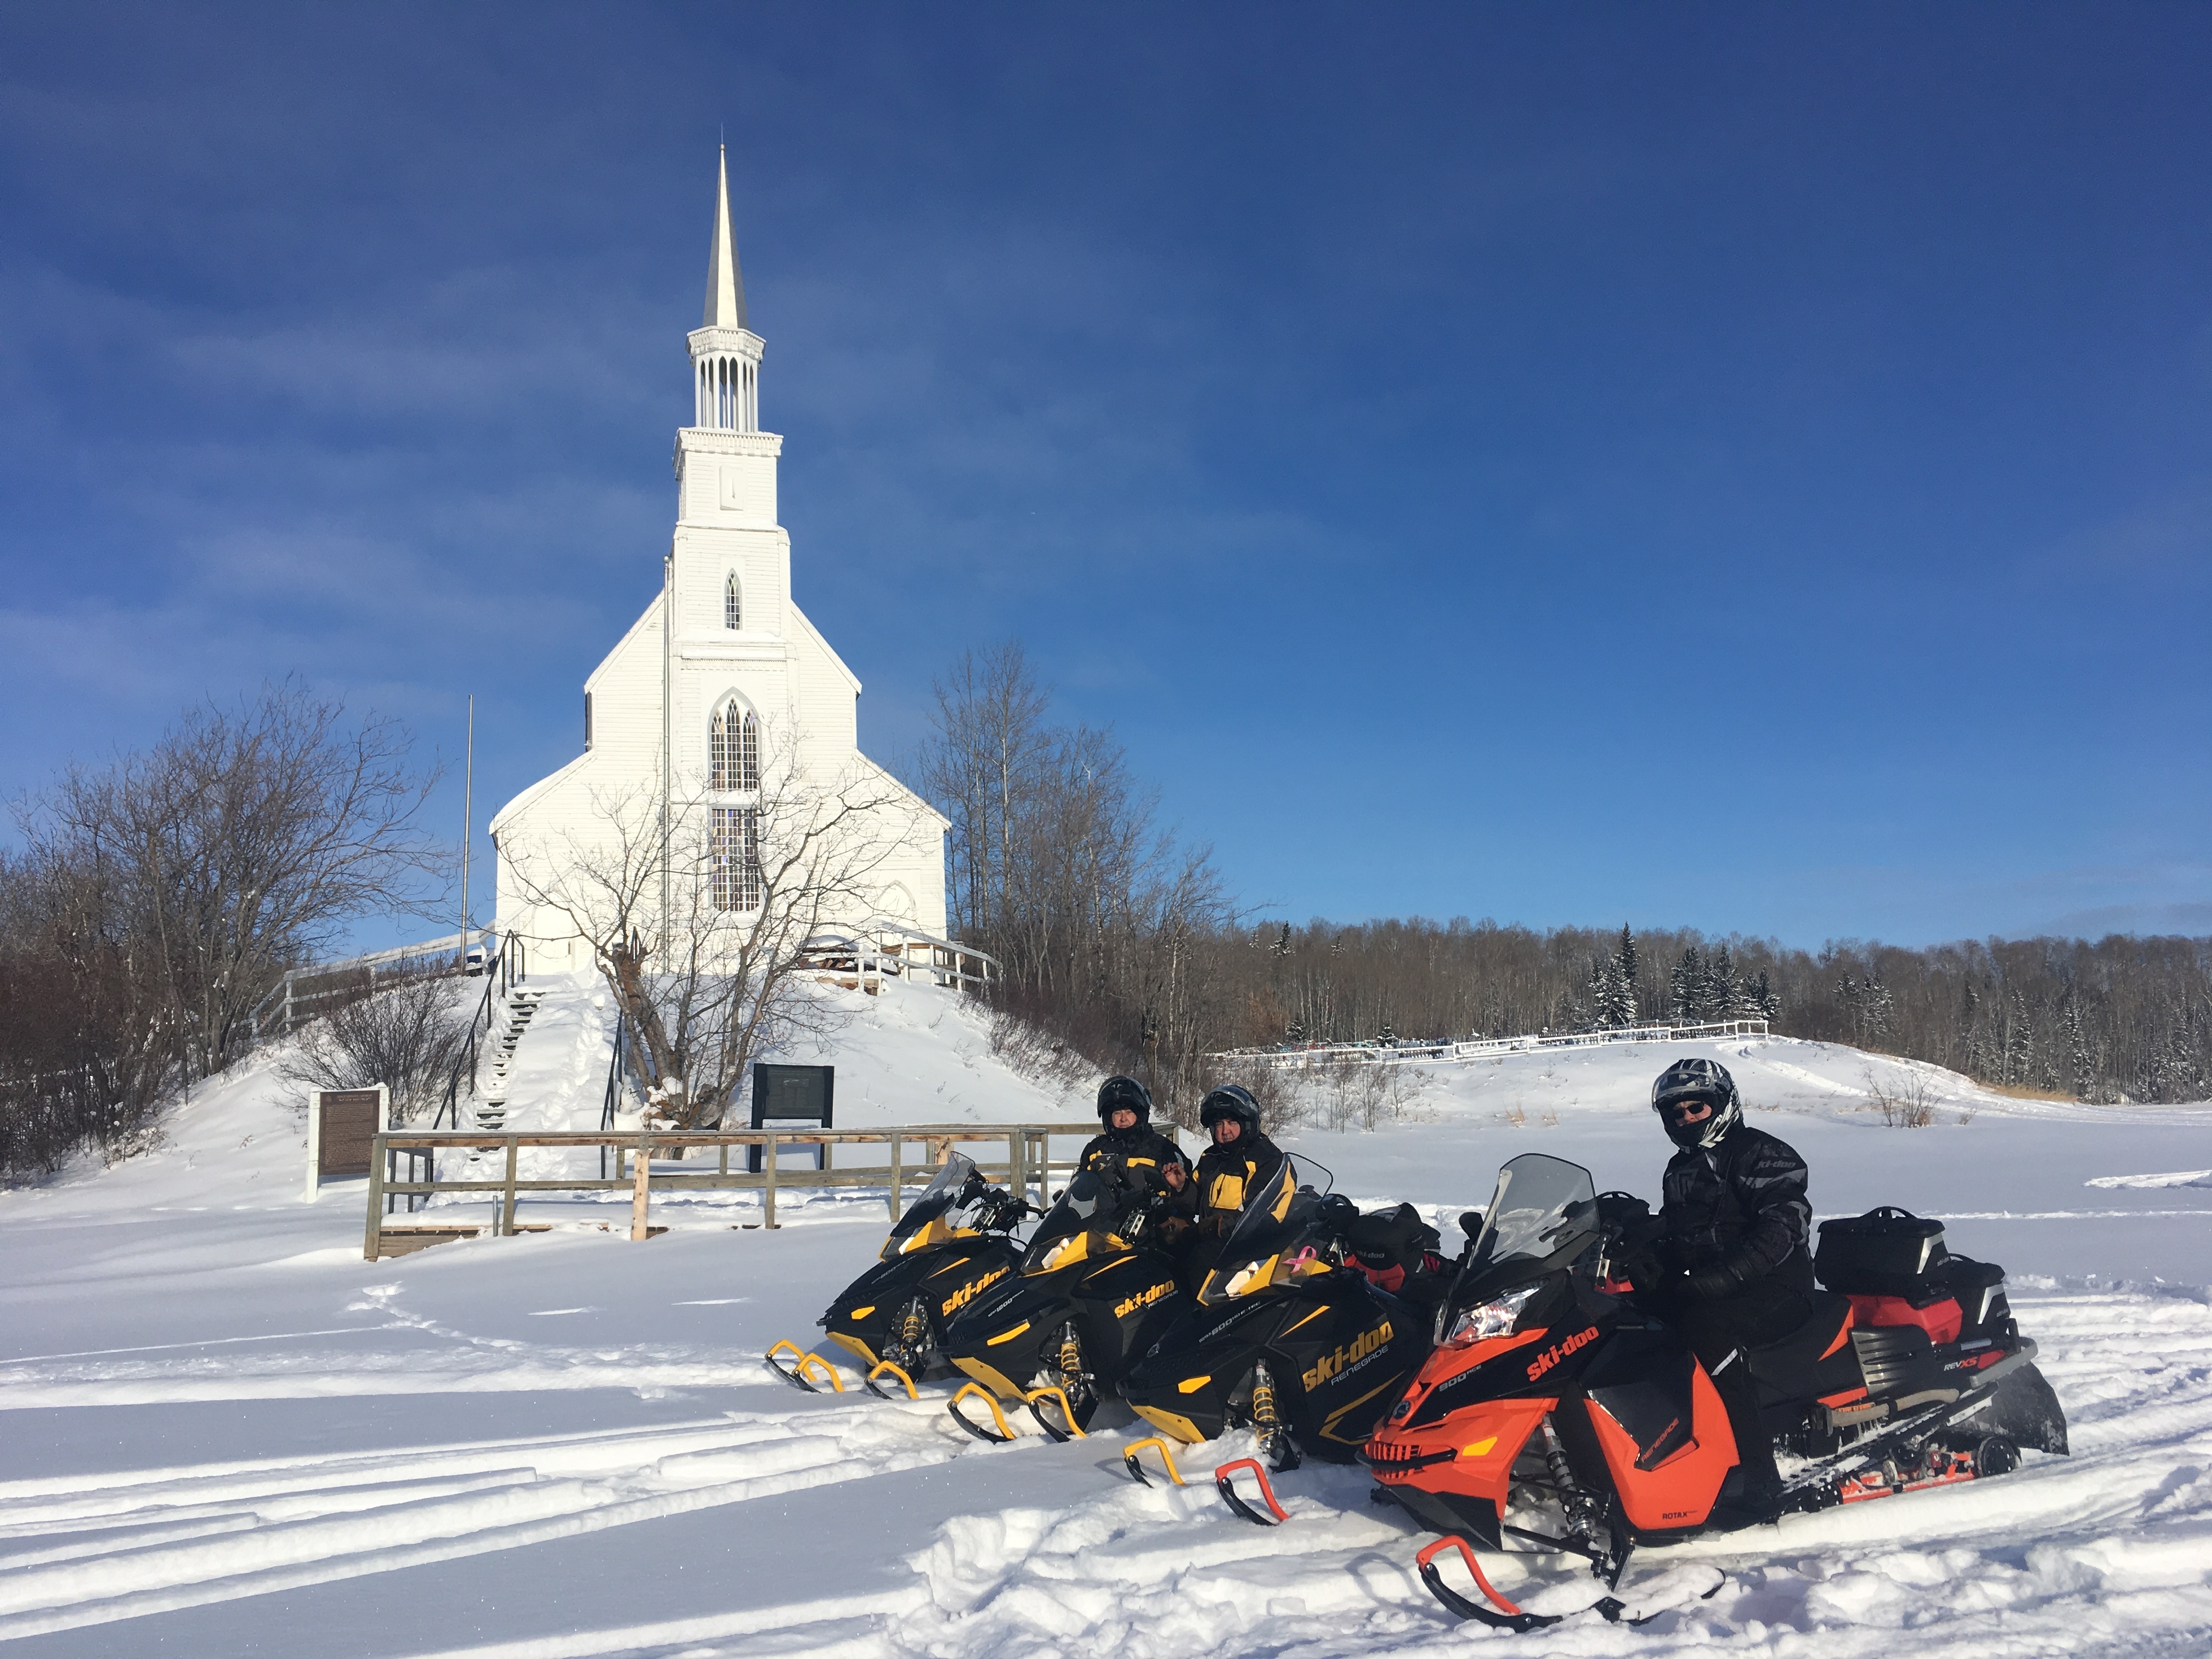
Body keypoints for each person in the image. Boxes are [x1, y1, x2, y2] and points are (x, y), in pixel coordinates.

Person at [1629, 1057, 1813, 1508]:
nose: (1688, 1117)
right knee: (1630, 1325)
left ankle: (1758, 1477)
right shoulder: (1680, 1168)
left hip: (1777, 1286)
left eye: (1698, 1107)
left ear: (1722, 1104)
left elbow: (1783, 1226)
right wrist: (1642, 1253)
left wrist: (1726, 1277)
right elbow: (1681, 1232)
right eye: (1679, 1112)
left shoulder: (1762, 1153)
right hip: (1712, 1285)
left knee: (1707, 1332)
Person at [1077, 1075, 1190, 1208]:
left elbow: (1191, 1202)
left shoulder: (1162, 1148)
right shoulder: (1095, 1150)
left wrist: (1181, 1188)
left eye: (1129, 1112)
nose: (1123, 1119)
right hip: (1103, 1226)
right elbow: (1080, 1193)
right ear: (1109, 1117)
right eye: (1117, 1113)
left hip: (1150, 1224)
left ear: (1140, 1114)